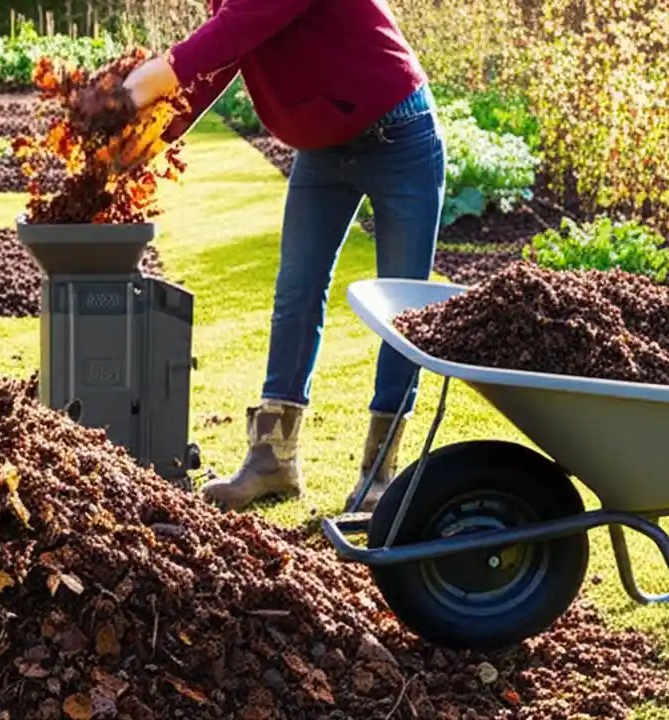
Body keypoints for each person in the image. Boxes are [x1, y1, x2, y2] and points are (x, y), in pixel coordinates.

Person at [109, 0, 446, 513]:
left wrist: (134, 89)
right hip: (323, 151)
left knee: (402, 314)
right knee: (296, 295)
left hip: (399, 140)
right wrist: (134, 147)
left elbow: (223, 37)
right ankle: (273, 460)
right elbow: (222, 55)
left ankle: (380, 473)